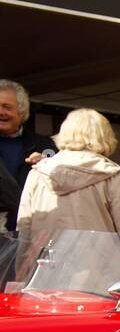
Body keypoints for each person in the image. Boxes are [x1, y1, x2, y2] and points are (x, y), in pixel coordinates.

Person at [15, 108, 120, 281]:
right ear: (105, 137)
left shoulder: (38, 173)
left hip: (44, 277)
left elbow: (24, 230)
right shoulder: (113, 176)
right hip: (98, 281)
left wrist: (21, 277)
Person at [0, 79, 56, 232]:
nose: (0, 112)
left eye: (6, 107)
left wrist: (48, 166)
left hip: (30, 233)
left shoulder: (45, 146)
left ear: (22, 111)